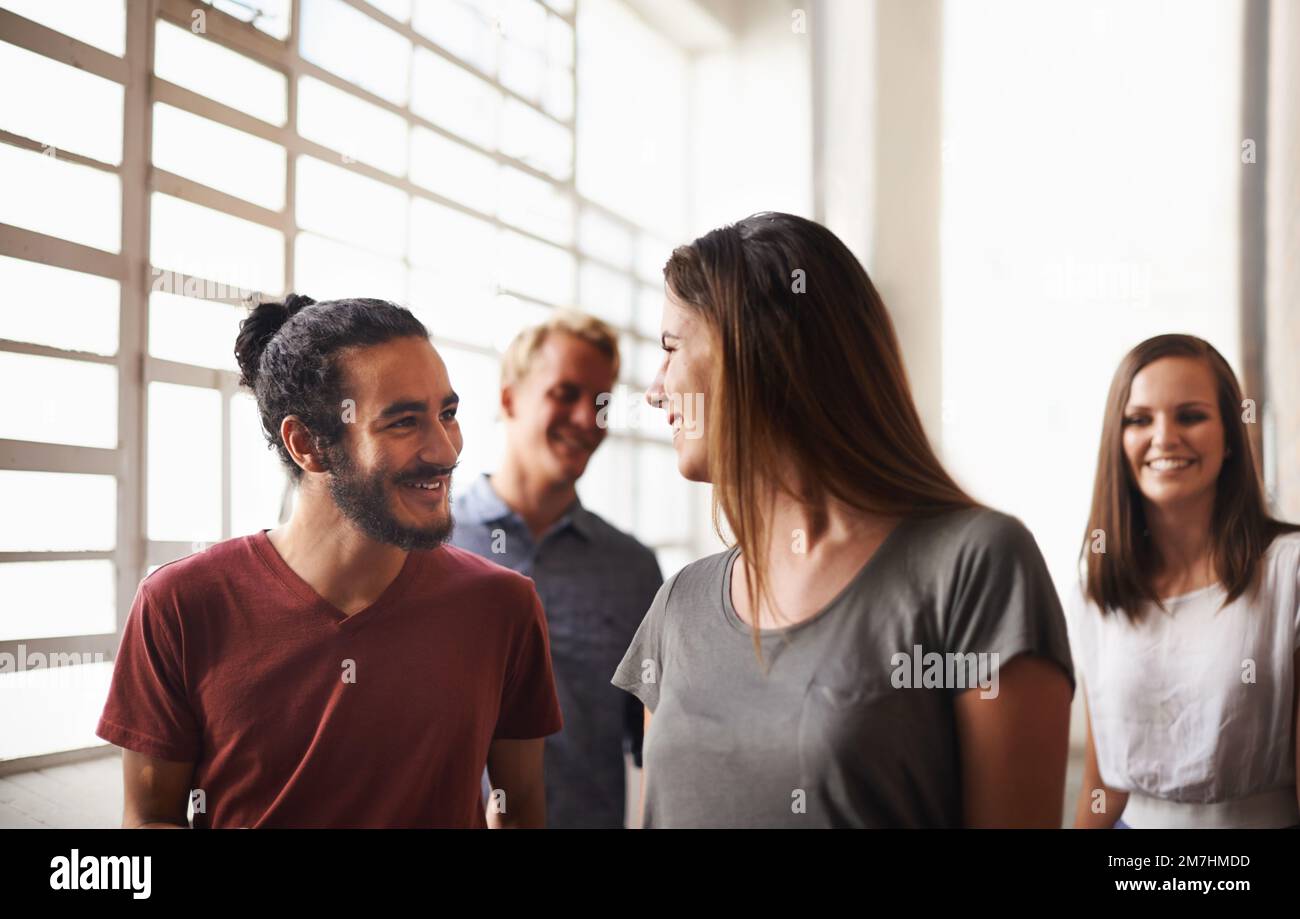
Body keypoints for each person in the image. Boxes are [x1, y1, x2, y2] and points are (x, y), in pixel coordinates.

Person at [611, 212, 1075, 828]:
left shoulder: (975, 565)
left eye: (671, 349)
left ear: (759, 349)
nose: (654, 388)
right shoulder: (678, 607)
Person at [96, 294, 563, 828]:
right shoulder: (179, 604)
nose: (445, 449)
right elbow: (151, 819)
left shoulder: (502, 605)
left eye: (447, 413)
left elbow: (520, 807)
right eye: (404, 422)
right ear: (307, 444)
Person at [1066, 334, 1300, 829]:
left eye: (1190, 416)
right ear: (1118, 438)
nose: (1165, 437)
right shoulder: (1098, 577)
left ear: (1232, 436)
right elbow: (1104, 784)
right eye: (1139, 419)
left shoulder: (1289, 570)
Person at [451, 311, 662, 828]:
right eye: (565, 393)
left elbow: (661, 752)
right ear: (508, 399)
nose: (588, 420)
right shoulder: (430, 545)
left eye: (602, 402)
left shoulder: (633, 570)